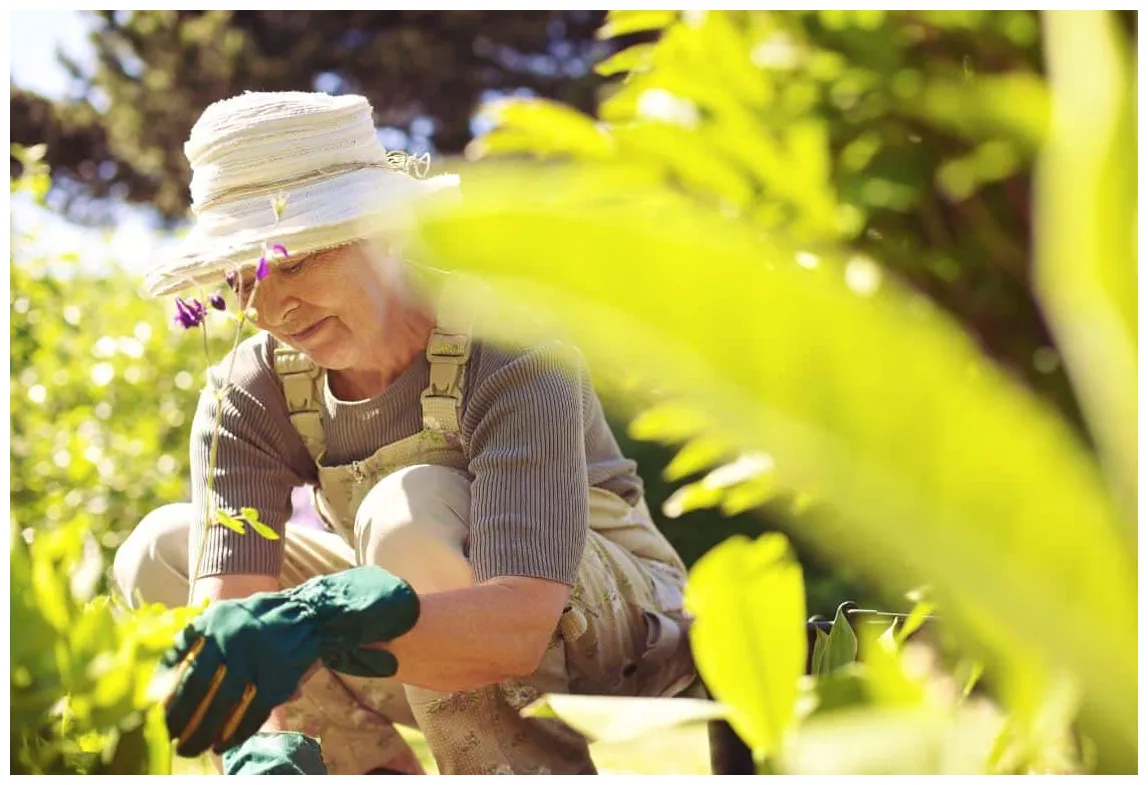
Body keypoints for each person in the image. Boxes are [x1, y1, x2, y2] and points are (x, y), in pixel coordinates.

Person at [112, 91, 697, 776]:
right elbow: (229, 619)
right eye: (243, 281)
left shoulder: (509, 344)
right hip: (413, 635)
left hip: (604, 631)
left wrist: (316, 624)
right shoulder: (250, 388)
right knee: (161, 549)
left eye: (293, 262)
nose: (270, 308)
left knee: (408, 510)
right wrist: (256, 731)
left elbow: (519, 624)